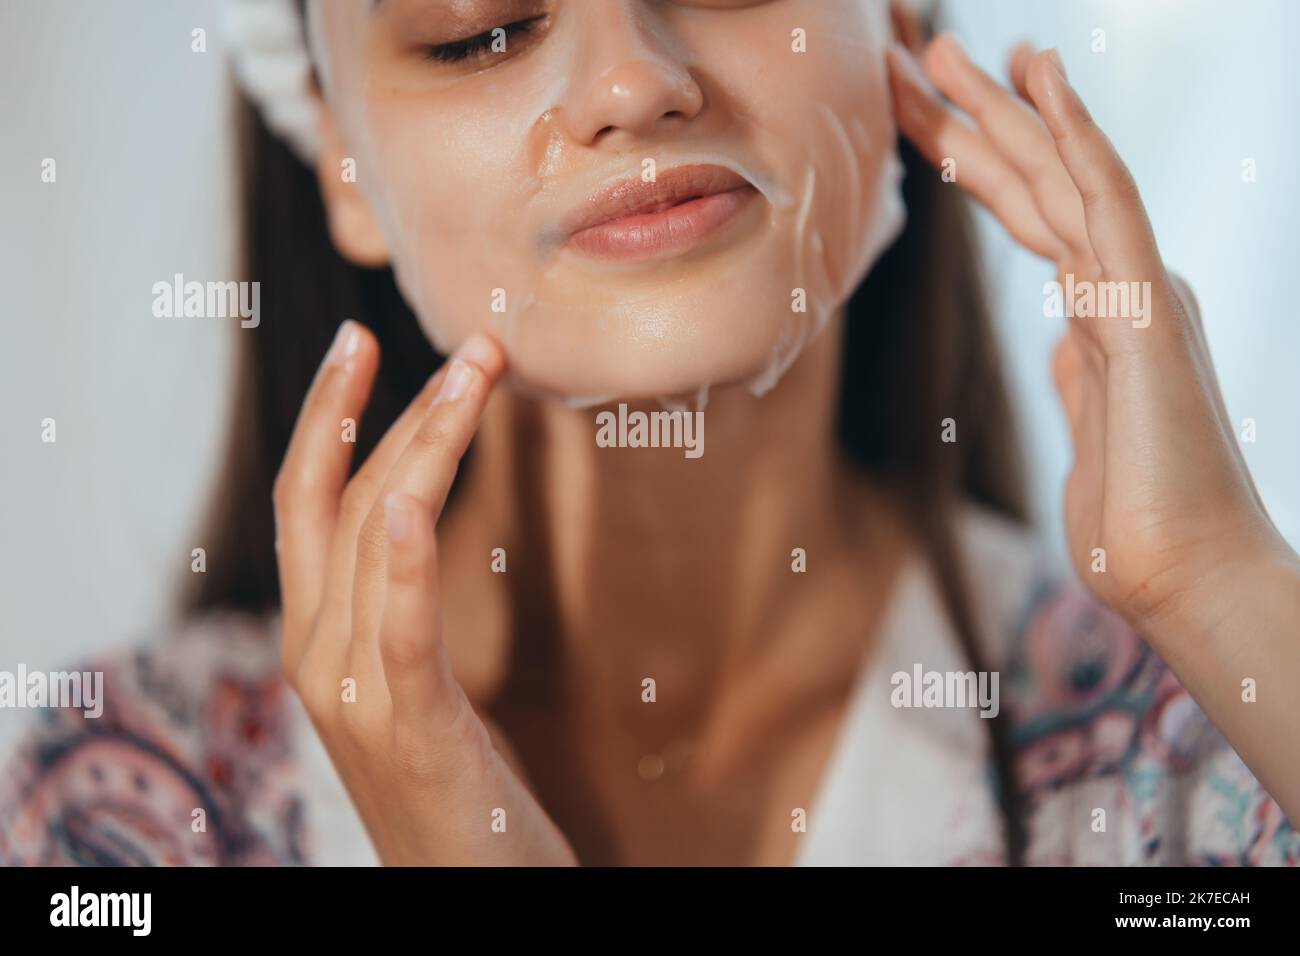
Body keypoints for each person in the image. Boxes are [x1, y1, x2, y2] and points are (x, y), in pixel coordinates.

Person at [2, 0, 1297, 867]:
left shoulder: (1200, 741)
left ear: (899, 21)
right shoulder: (124, 803)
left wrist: (1225, 588)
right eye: (483, 25)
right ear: (338, 151)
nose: (631, 83)